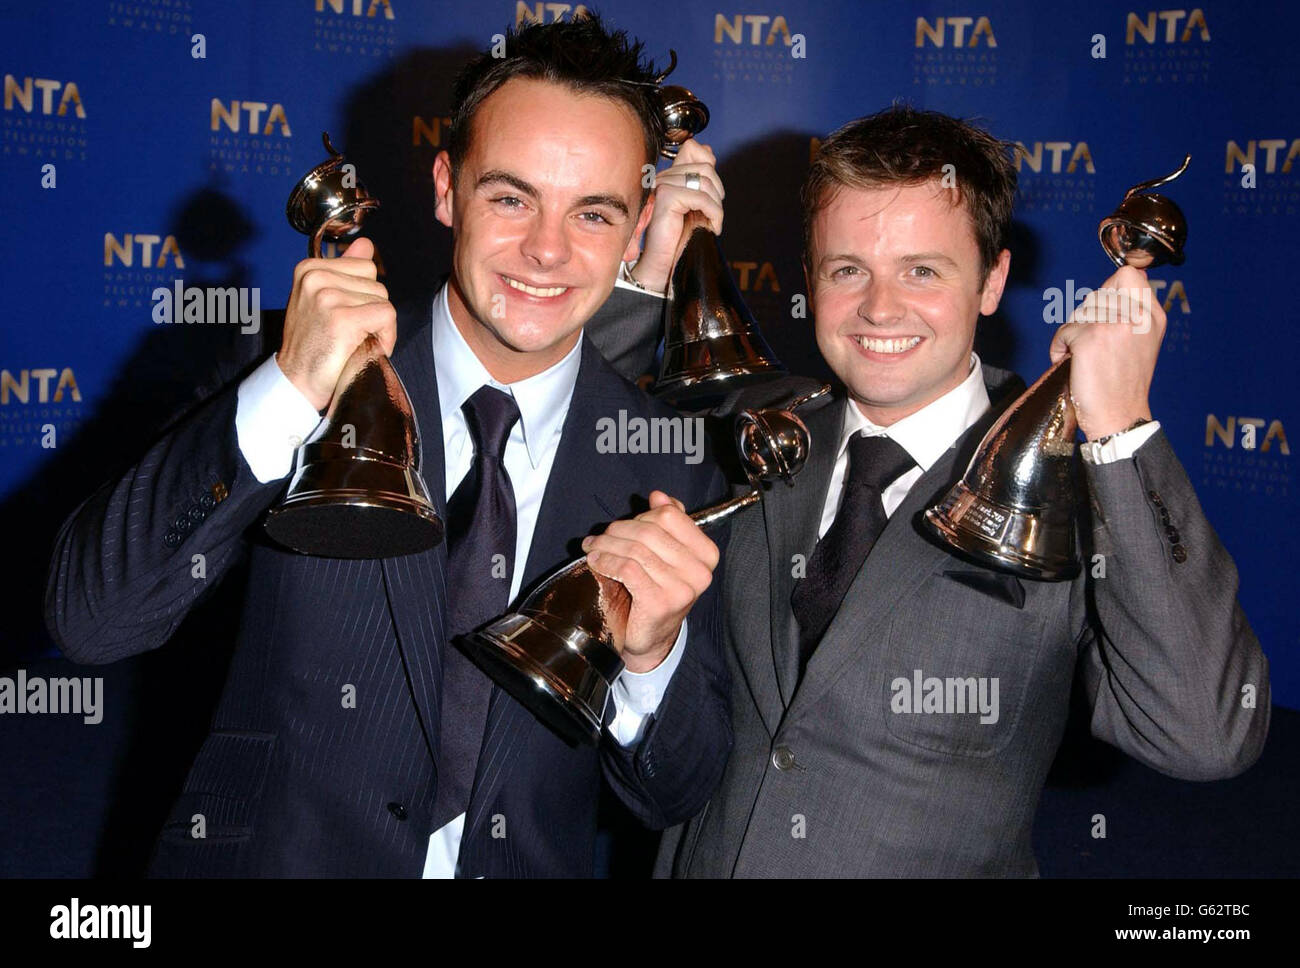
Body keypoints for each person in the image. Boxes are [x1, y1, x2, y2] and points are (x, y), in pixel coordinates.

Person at [45, 14, 733, 878]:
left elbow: (674, 792)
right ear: (447, 190)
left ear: (638, 231)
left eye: (593, 213)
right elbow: (93, 622)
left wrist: (650, 657)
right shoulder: (288, 372)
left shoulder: (670, 463)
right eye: (511, 197)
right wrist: (292, 390)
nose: (547, 250)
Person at [656, 105, 1270, 877]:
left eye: (922, 270)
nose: (880, 308)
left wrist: (1120, 426)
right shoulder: (755, 425)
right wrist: (654, 264)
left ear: (992, 281)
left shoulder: (1079, 495)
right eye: (848, 269)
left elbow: (1206, 735)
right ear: (809, 278)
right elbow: (594, 407)